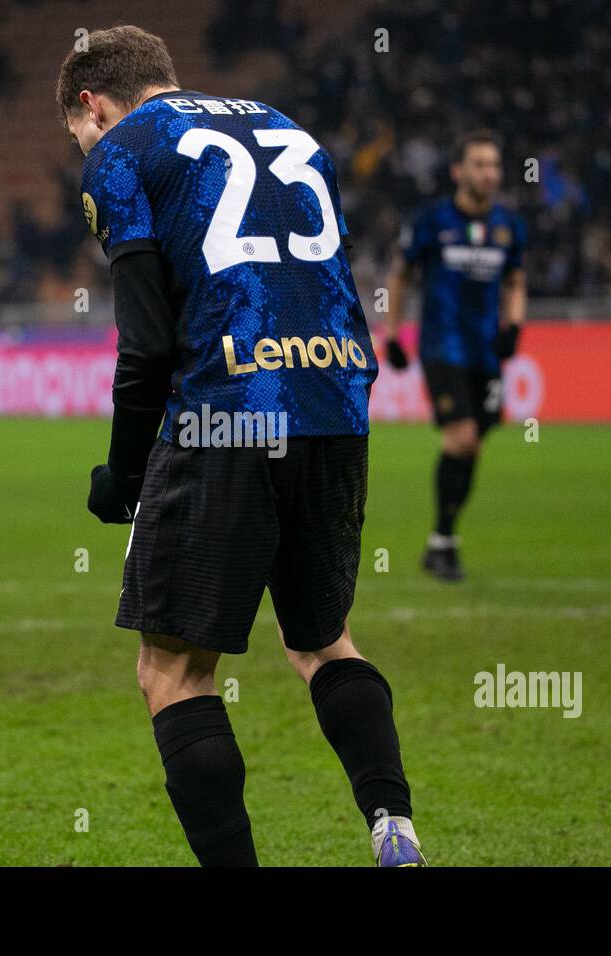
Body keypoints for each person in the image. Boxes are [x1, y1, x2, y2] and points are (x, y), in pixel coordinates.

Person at [58, 25, 424, 866]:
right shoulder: (287, 125)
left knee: (173, 675)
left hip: (226, 407)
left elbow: (146, 345)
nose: (82, 144)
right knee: (321, 639)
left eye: (77, 129)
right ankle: (392, 824)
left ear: (93, 102)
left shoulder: (120, 151)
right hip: (335, 398)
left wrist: (123, 468)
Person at [383, 130, 528, 581]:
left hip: (486, 350)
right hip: (442, 346)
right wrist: (392, 334)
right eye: (480, 164)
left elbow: (516, 281)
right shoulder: (432, 222)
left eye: (494, 165)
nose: (489, 173)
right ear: (457, 171)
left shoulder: (508, 226)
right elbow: (400, 276)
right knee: (461, 438)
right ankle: (444, 543)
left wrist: (514, 326)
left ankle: (441, 541)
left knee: (473, 446)